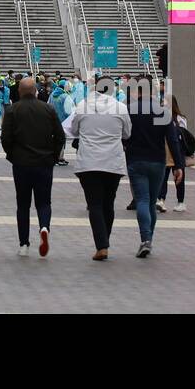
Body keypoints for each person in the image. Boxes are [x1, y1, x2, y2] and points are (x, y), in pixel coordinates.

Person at [1, 76, 64, 258]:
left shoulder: (13, 110)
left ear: (20, 91)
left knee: (23, 204)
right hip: (44, 163)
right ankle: (44, 227)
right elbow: (60, 136)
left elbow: (6, 138)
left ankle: (24, 244)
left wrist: (12, 155)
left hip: (21, 163)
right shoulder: (48, 109)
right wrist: (53, 156)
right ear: (35, 91)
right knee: (44, 201)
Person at [69, 83, 131, 261]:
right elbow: (127, 133)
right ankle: (105, 241)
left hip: (89, 162)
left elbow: (74, 131)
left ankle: (101, 245)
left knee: (94, 204)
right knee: (108, 203)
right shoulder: (120, 107)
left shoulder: (83, 106)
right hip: (113, 162)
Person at [124, 84, 171, 259]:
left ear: (138, 94)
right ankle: (148, 238)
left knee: (142, 200)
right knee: (151, 201)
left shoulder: (130, 111)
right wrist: (179, 165)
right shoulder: (162, 111)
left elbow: (124, 134)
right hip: (158, 161)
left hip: (136, 160)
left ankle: (146, 239)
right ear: (152, 93)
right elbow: (172, 139)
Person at [159, 93, 192, 208]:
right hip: (165, 151)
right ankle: (161, 199)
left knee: (179, 177)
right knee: (163, 177)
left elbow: (183, 134)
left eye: (165, 102)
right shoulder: (160, 117)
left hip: (177, 151)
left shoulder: (180, 118)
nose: (163, 104)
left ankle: (181, 201)